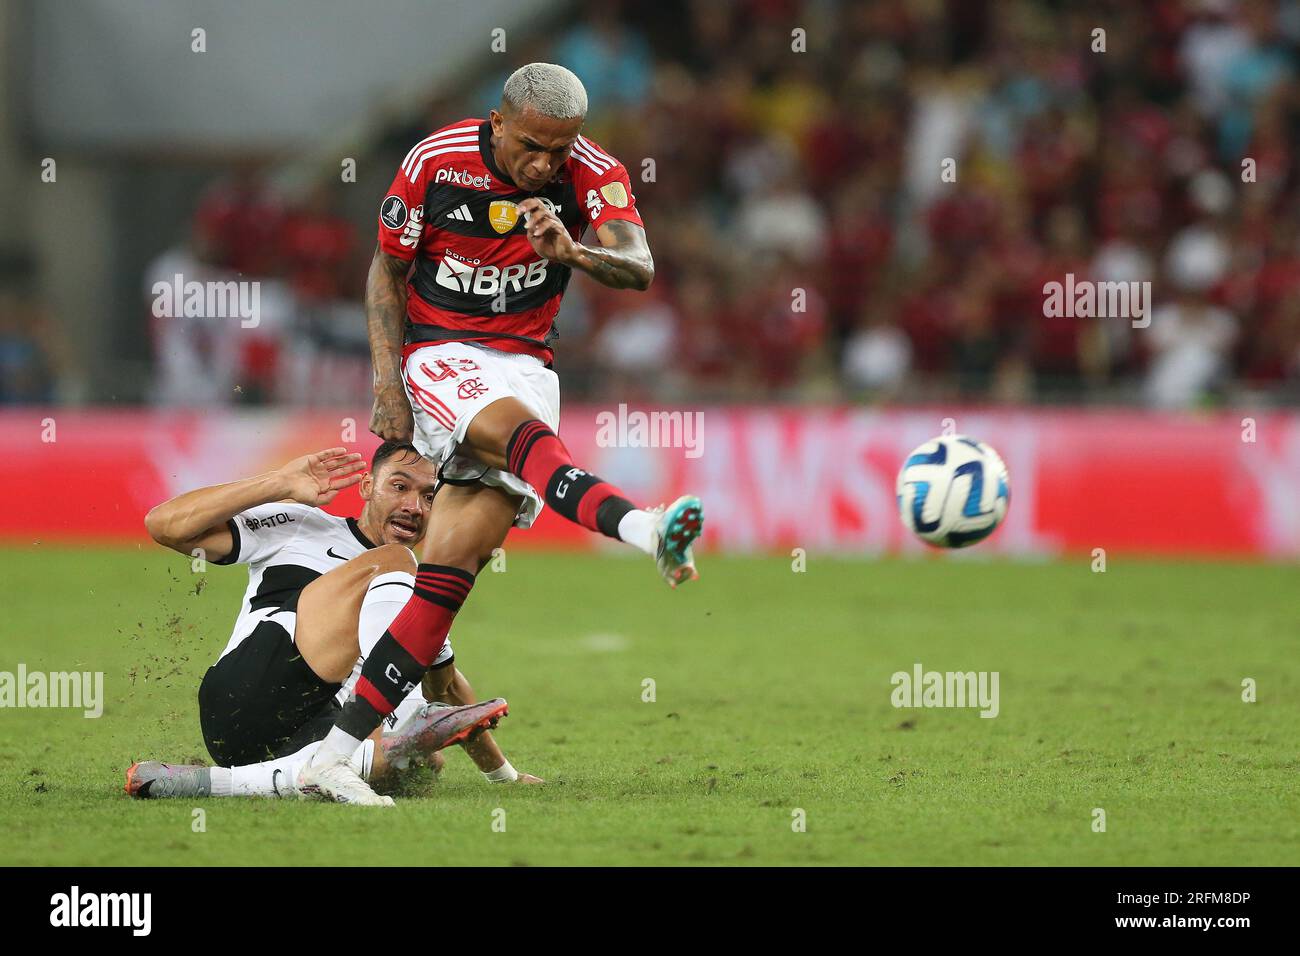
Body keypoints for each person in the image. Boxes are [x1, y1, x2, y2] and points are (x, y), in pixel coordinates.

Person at [299, 63, 704, 804]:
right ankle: (645, 530)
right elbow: (385, 272)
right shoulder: (435, 162)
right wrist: (387, 384)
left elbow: (639, 265)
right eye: (533, 147)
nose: (546, 164)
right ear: (499, 121)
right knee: (526, 440)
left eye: (560, 149)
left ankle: (331, 755)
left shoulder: (592, 171)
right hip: (441, 355)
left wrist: (574, 253)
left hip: (528, 362)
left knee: (444, 583)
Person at [130, 442, 539, 805]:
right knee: (398, 562)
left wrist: (504, 776)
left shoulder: (418, 592)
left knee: (418, 765)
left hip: (302, 728)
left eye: (429, 496)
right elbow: (164, 526)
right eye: (399, 486)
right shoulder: (301, 525)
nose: (414, 506)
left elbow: (446, 686)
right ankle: (398, 717)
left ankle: (217, 783)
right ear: (366, 488)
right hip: (244, 696)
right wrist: (279, 482)